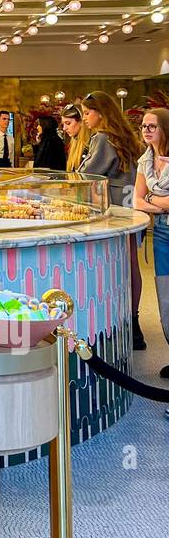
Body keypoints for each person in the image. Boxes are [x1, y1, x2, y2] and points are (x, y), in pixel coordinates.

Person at [81, 91, 144, 350]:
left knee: (119, 264)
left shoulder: (103, 138)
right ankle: (134, 323)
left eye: (87, 113)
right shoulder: (124, 136)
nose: (84, 118)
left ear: (101, 113)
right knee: (131, 262)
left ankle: (122, 324)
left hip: (114, 206)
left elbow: (88, 174)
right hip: (129, 205)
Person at [133, 106, 169, 378]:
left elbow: (147, 200)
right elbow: (136, 201)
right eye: (144, 125)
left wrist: (151, 201)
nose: (146, 130)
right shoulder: (144, 160)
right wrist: (161, 203)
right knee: (165, 296)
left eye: (152, 126)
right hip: (161, 233)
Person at [61, 103, 89, 172]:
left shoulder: (91, 145)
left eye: (68, 123)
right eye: (63, 124)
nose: (64, 128)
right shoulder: (72, 144)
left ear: (81, 122)